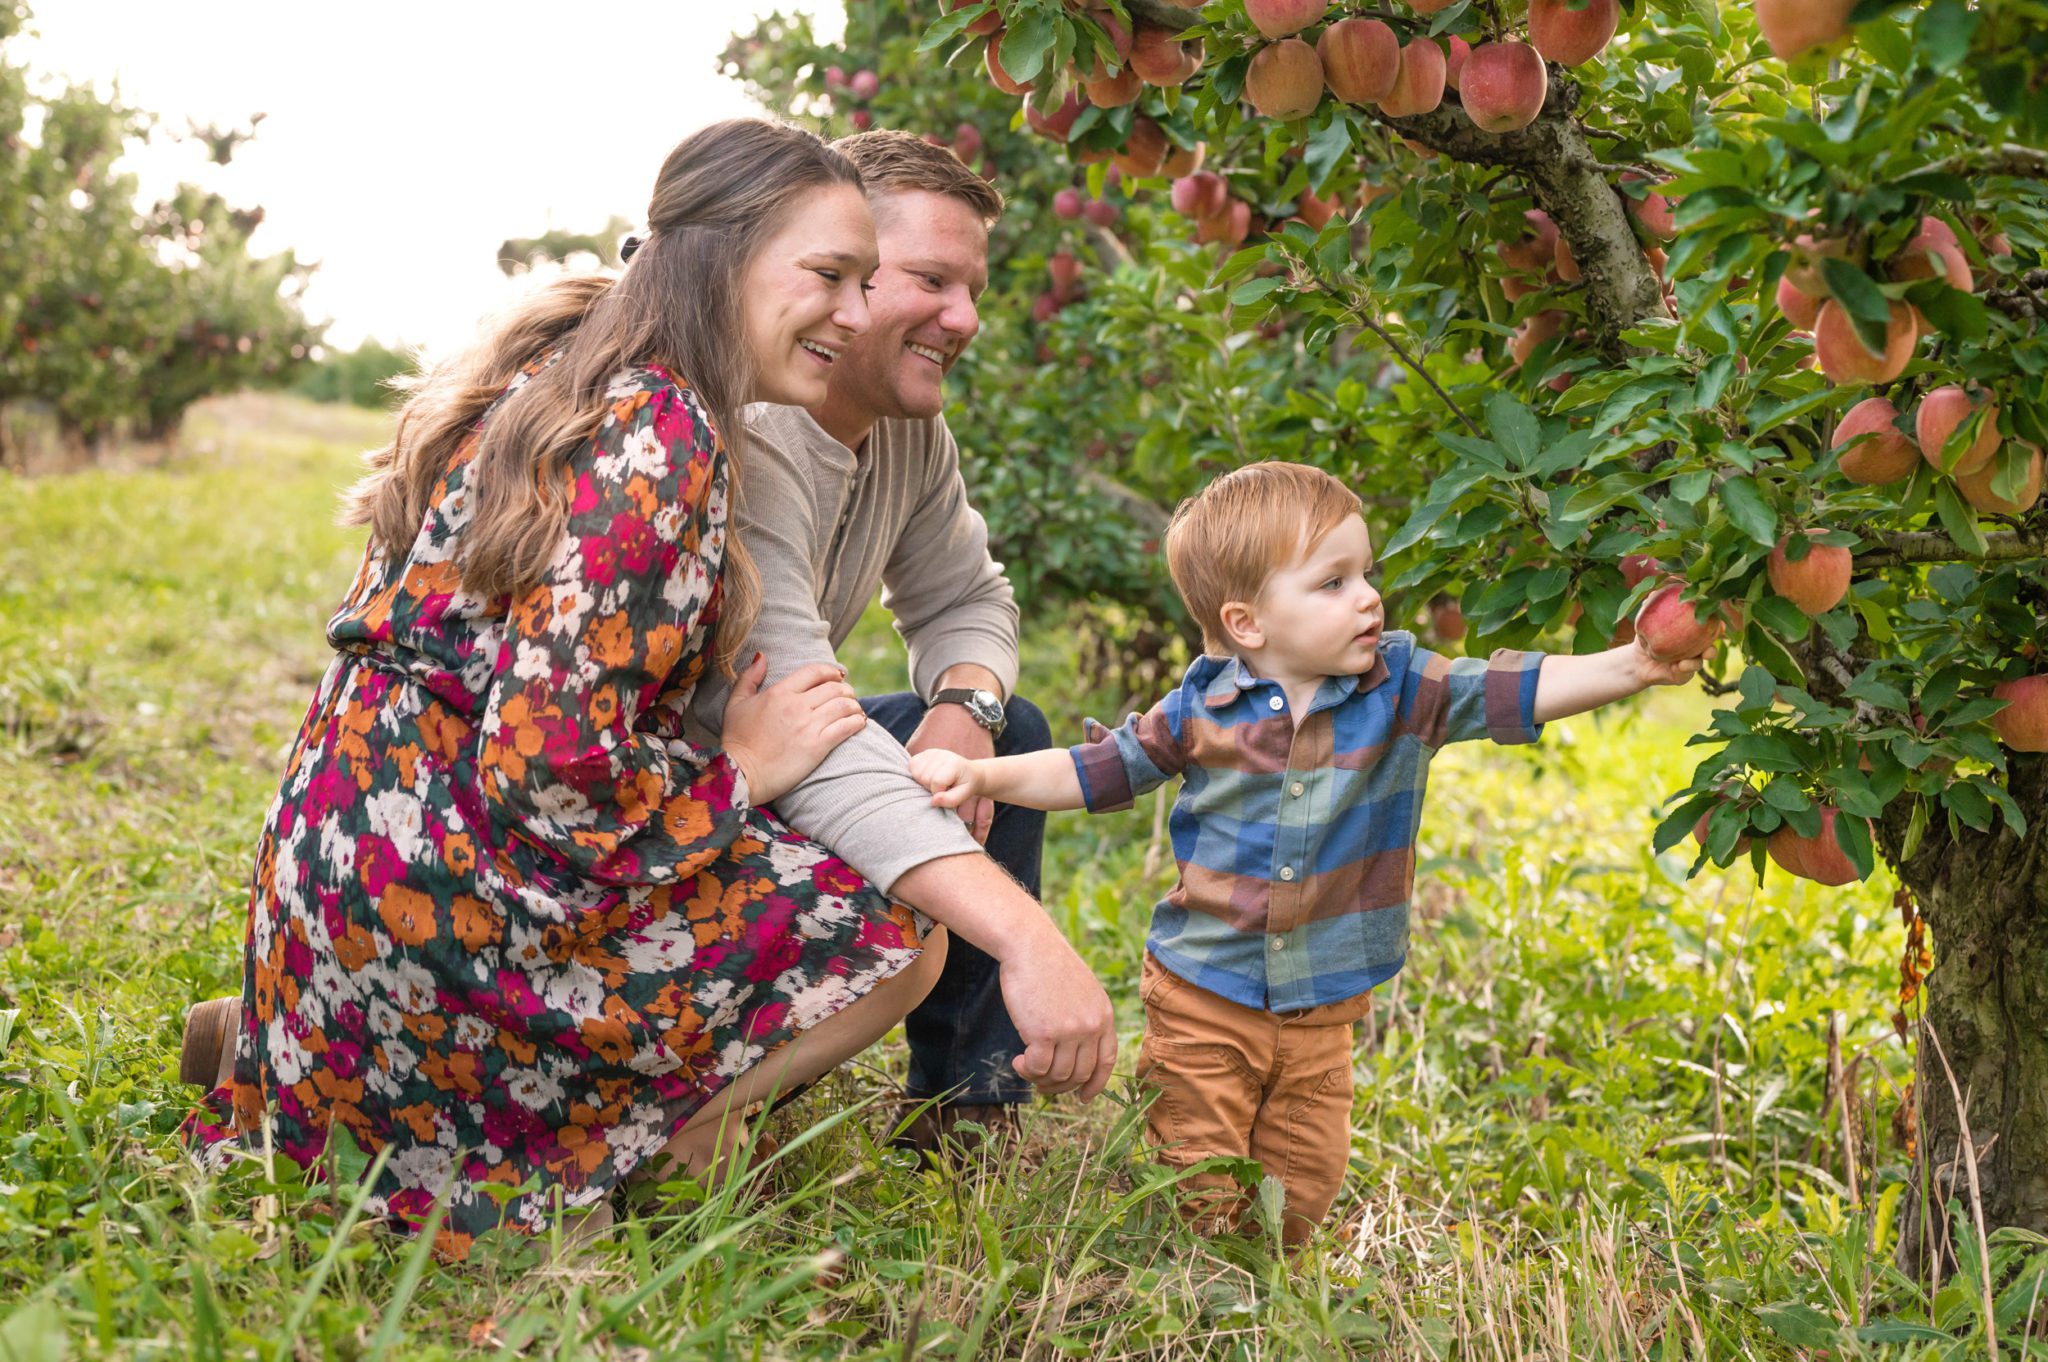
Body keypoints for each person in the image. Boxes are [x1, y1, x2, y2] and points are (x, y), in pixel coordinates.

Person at [180, 119, 1112, 1258]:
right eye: (835, 275)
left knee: (952, 762)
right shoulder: (669, 428)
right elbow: (548, 775)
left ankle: (327, 1050)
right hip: (446, 875)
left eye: (868, 281)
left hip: (359, 845)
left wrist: (927, 713)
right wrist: (745, 777)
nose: (863, 311)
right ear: (719, 256)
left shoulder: (595, 381)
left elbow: (956, 598)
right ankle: (624, 1171)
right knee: (892, 927)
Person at [907, 461, 1704, 1244]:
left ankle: (1274, 1276)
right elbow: (1092, 771)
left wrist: (1630, 665)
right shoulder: (1199, 709)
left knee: (1303, 1185)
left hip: (1325, 1002)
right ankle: (1211, 1285)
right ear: (1249, 623)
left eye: (1365, 573)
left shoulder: (1404, 690)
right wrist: (982, 770)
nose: (1367, 597)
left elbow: (1515, 689)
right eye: (1333, 583)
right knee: (1200, 1172)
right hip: (1203, 993)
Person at [684, 130, 1079, 1152]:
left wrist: (966, 706)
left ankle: (965, 1114)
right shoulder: (751, 433)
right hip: (682, 785)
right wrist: (1022, 935)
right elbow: (805, 735)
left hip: (763, 760)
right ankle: (677, 1110)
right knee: (910, 859)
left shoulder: (909, 434)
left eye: (973, 288)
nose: (965, 319)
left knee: (998, 743)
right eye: (931, 281)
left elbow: (969, 599)